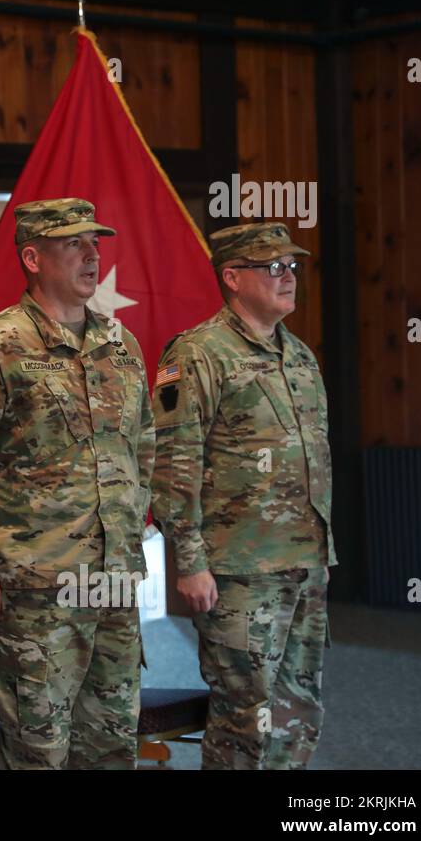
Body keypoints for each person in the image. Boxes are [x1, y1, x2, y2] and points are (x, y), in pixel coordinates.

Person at [0, 197, 154, 769]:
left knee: (110, 747)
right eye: (73, 244)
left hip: (113, 585)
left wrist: (131, 538)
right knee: (39, 751)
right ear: (32, 257)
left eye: (95, 243)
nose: (91, 255)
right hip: (35, 589)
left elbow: (143, 449)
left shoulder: (120, 346)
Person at [150, 221, 335, 770]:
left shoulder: (300, 356)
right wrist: (189, 563)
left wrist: (323, 553)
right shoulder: (198, 354)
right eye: (273, 267)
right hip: (238, 569)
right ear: (232, 276)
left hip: (305, 563)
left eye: (292, 267)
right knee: (245, 719)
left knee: (298, 713)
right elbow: (175, 465)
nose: (288, 278)